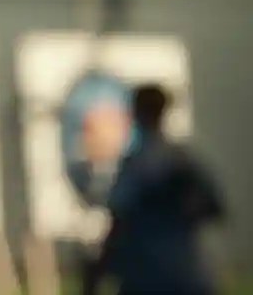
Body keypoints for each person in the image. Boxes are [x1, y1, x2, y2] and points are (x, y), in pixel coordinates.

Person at [88, 84, 226, 295]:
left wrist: (98, 272)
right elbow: (215, 209)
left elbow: (120, 221)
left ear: (135, 113)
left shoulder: (137, 164)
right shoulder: (183, 159)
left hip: (147, 276)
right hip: (188, 273)